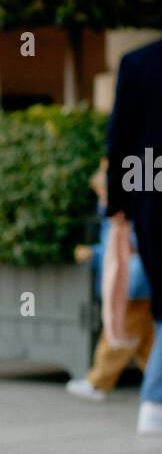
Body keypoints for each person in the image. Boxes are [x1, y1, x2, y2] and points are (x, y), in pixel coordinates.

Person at [106, 40, 162, 435]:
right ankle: (155, 398)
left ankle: (154, 400)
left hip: (148, 186)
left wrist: (118, 203)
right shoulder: (138, 61)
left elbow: (121, 133)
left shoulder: (138, 62)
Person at [67, 159, 155, 401]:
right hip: (136, 285)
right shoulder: (118, 219)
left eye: (103, 193)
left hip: (131, 286)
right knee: (146, 341)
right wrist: (95, 254)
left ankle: (98, 382)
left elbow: (123, 253)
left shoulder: (125, 220)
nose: (100, 199)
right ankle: (156, 388)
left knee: (118, 335)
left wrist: (96, 254)